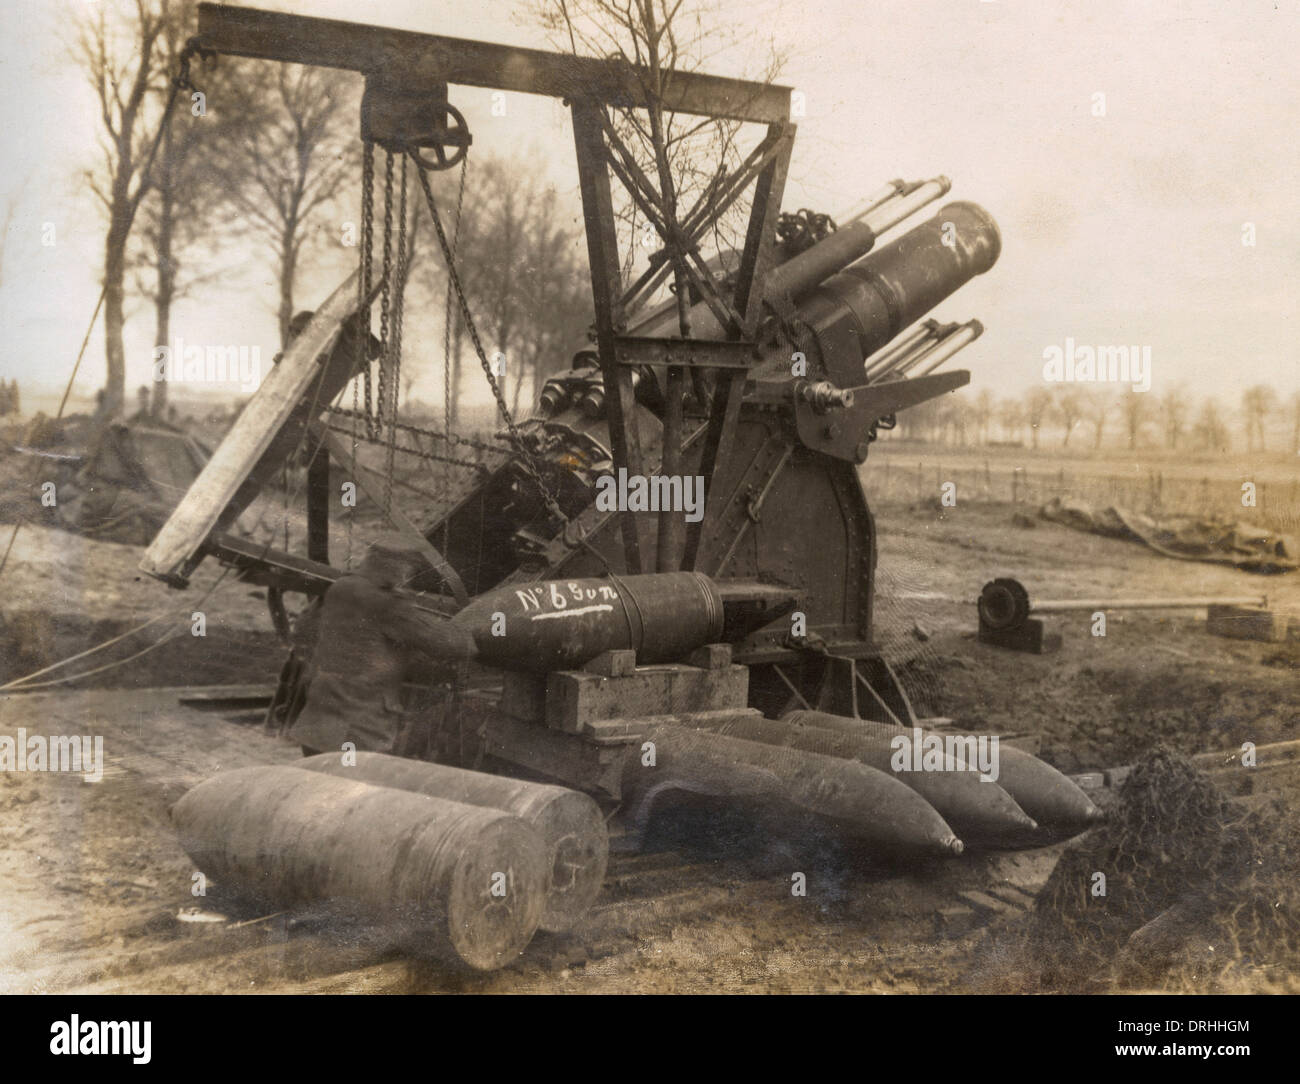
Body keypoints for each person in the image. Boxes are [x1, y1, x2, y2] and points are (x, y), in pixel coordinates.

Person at [287, 535, 476, 757]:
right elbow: (454, 645)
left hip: (317, 725)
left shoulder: (340, 587)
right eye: (408, 567)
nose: (408, 575)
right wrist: (470, 626)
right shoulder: (388, 603)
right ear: (395, 565)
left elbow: (304, 629)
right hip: (359, 732)